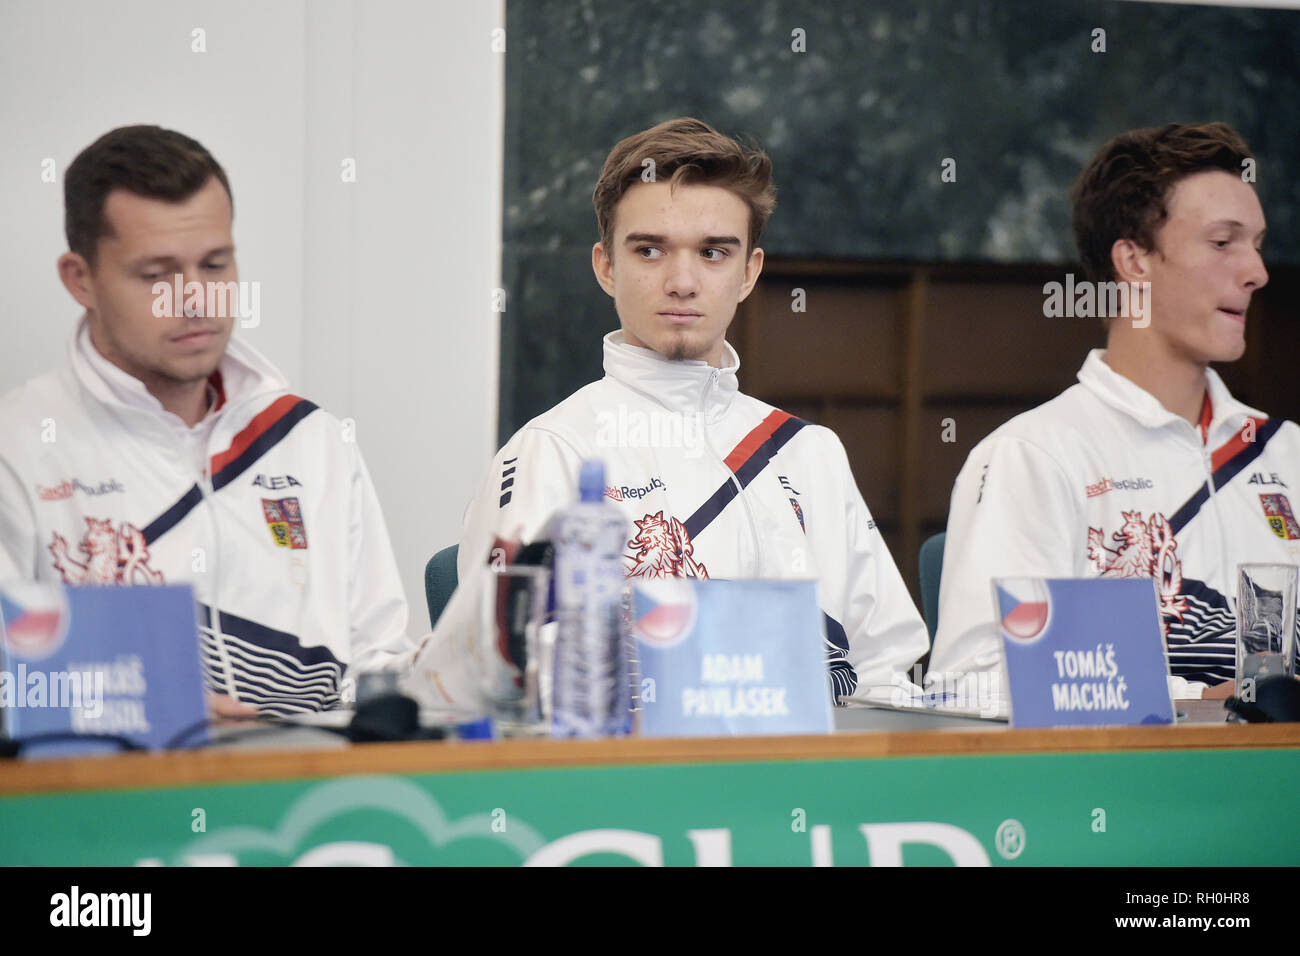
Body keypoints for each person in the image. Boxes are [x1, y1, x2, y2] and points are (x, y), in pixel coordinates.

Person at [414, 117, 928, 709]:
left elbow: (887, 673)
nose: (682, 282)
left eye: (713, 252)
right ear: (607, 267)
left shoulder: (809, 451)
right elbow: (499, 686)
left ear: (749, 273)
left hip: (811, 789)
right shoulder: (552, 449)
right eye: (651, 250)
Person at [0, 125, 412, 716]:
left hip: (305, 794)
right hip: (108, 804)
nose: (195, 300)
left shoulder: (311, 439)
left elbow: (381, 663)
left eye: (215, 264)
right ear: (80, 279)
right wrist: (150, 705)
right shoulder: (19, 448)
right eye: (157, 275)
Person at [930, 122, 1299, 703]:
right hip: (1117, 789)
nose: (1256, 271)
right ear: (1133, 260)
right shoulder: (1035, 455)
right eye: (1224, 242)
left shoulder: (1288, 451)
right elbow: (973, 685)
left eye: (1257, 243)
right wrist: (1196, 704)